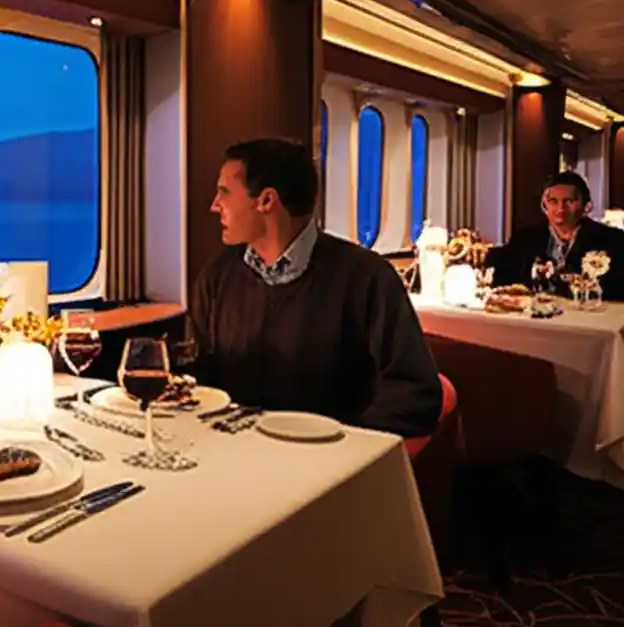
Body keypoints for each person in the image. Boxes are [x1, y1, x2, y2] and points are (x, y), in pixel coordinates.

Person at [190, 138, 442, 438]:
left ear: (266, 201)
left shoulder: (367, 279)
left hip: (329, 463)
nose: (214, 205)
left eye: (224, 193)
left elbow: (415, 391)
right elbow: (204, 380)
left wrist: (344, 444)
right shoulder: (217, 279)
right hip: (233, 454)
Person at [485, 171, 624, 300]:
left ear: (585, 205)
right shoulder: (524, 239)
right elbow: (502, 277)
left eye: (569, 201)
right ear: (544, 205)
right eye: (553, 201)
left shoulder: (612, 240)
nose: (560, 208)